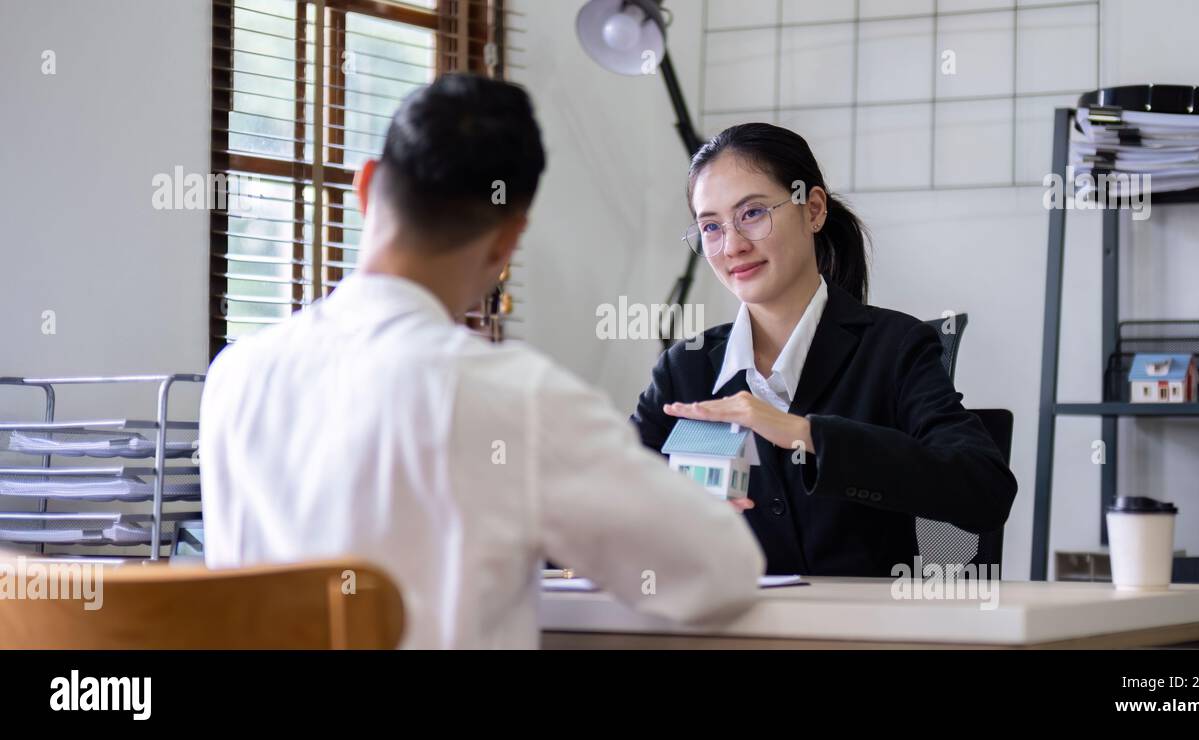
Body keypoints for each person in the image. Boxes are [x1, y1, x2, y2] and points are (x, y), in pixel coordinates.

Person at [200, 74, 764, 649]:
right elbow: (722, 572)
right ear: (507, 243)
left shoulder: (235, 375)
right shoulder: (515, 397)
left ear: (365, 187)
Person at [632, 122, 1017, 577]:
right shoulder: (687, 367)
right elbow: (606, 499)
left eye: (753, 213)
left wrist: (805, 433)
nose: (732, 245)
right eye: (711, 227)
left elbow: (983, 488)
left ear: (813, 210)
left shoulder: (894, 349)